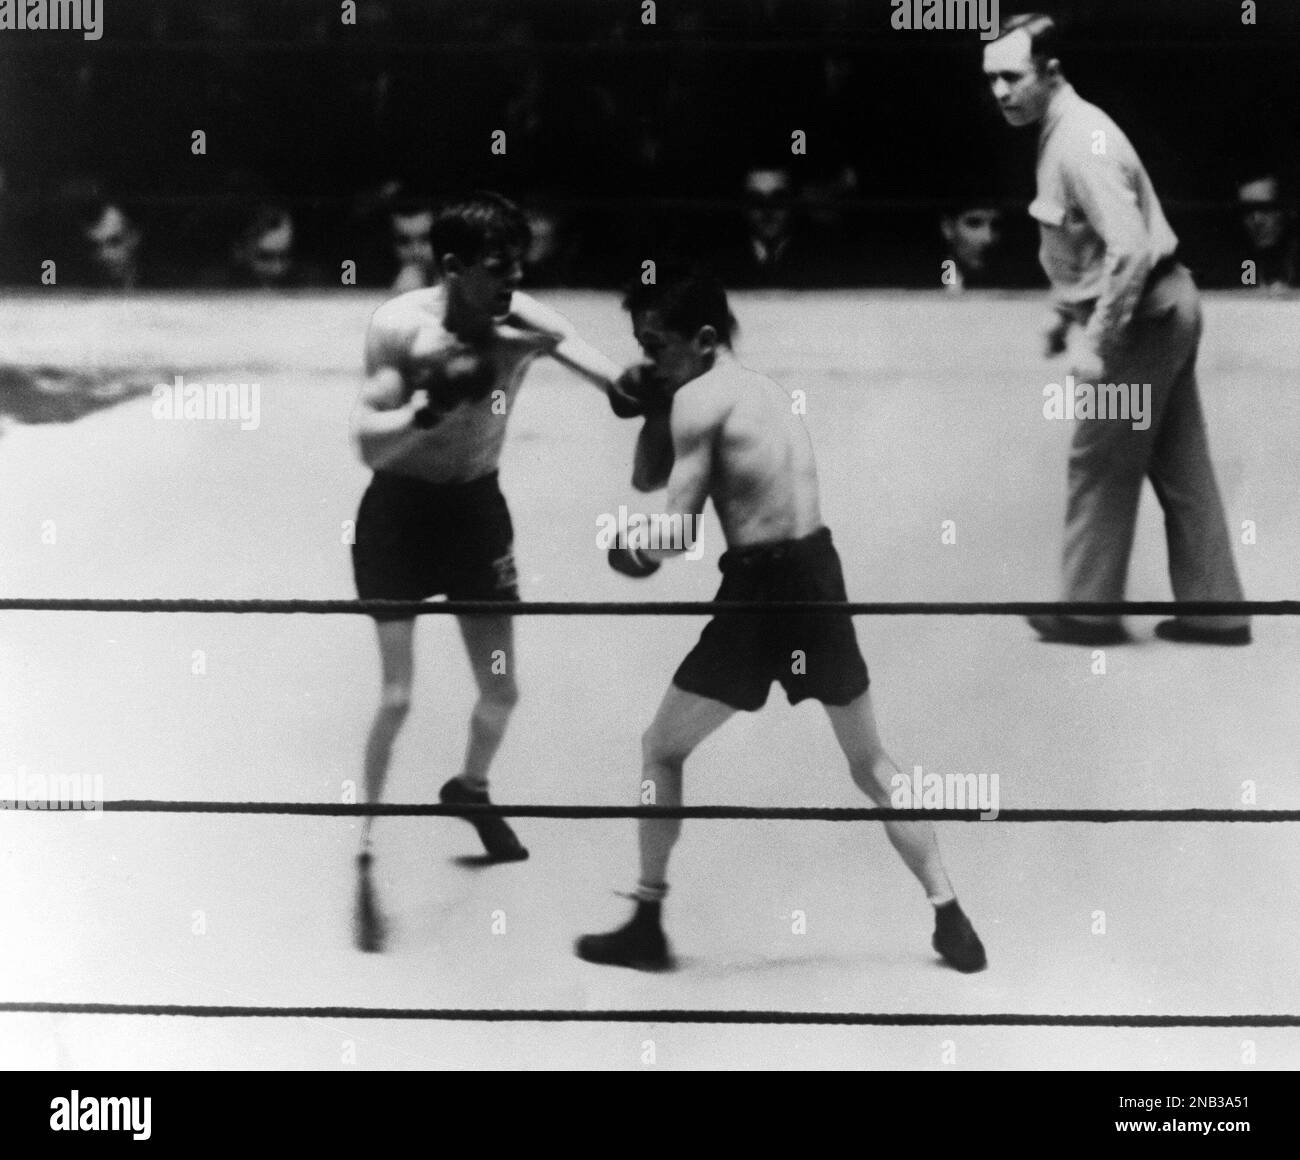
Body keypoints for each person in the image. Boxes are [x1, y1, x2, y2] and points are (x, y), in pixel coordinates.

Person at [575, 266, 987, 974]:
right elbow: (656, 470)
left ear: (702, 340)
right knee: (871, 762)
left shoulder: (700, 399)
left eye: (656, 344)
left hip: (761, 590)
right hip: (820, 575)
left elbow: (671, 530)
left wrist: (625, 546)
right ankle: (952, 917)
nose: (648, 360)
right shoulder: (760, 392)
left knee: (660, 749)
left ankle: (647, 922)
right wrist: (652, 402)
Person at [349, 192, 635, 952]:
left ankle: (469, 790)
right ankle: (366, 847)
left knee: (502, 688)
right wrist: (425, 414)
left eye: (518, 266)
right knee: (399, 695)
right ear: (452, 268)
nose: (512, 280)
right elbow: (365, 445)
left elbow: (606, 377)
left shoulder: (525, 322)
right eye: (496, 269)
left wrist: (648, 387)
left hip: (475, 515)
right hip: (398, 519)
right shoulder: (398, 328)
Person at [983, 14, 1250, 647]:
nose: (999, 92)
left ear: (1050, 73)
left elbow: (1127, 251)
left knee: (1098, 459)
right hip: (1164, 310)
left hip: (1142, 320)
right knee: (1180, 462)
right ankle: (1218, 612)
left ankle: (1087, 612)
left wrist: (1094, 340)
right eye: (991, 79)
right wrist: (1064, 313)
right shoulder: (1067, 130)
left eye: (1012, 78)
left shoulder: (1078, 142)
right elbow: (1085, 246)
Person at [1235, 171, 1297, 291]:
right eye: (1248, 210)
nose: (1257, 220)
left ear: (1285, 211)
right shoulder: (1244, 263)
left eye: (1265, 208)